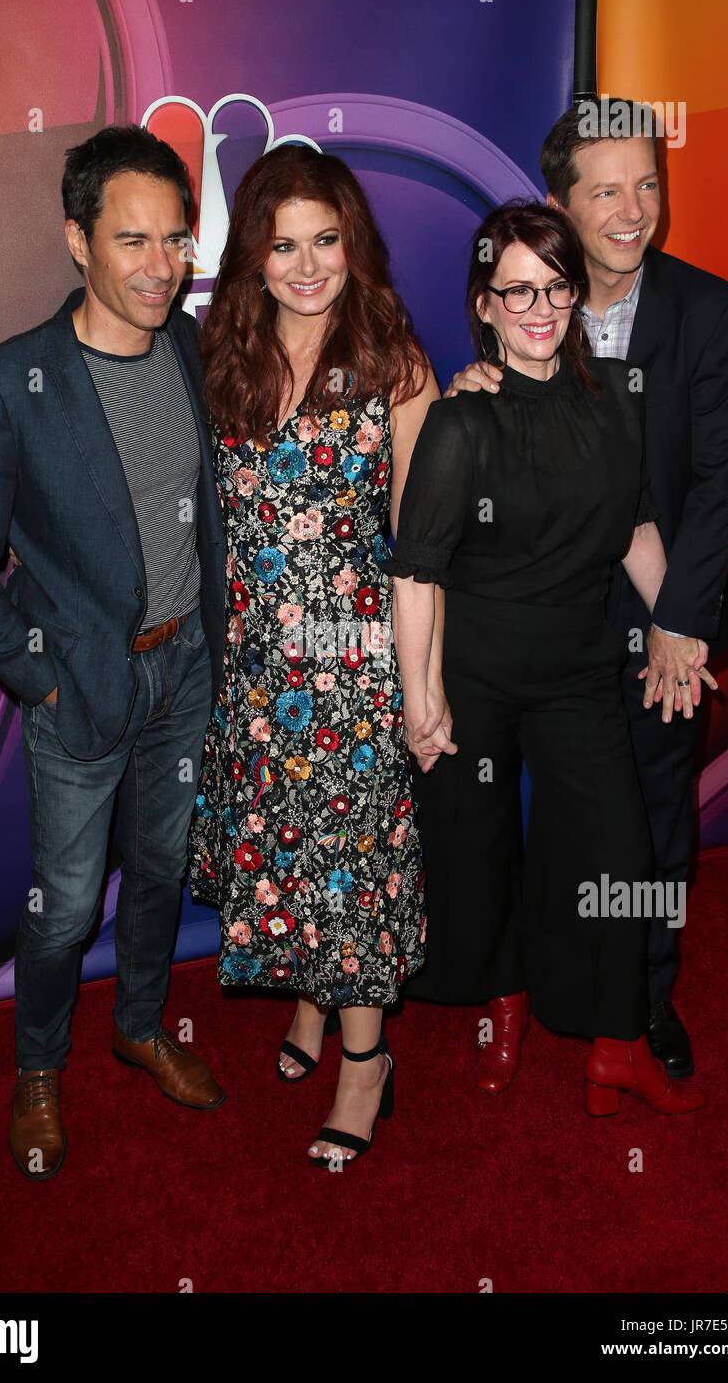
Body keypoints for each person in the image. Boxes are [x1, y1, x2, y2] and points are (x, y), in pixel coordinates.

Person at [0, 125, 227, 1181]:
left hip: (184, 668)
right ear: (75, 239)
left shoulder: (187, 344)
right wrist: (39, 676)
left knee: (157, 869)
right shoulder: (7, 386)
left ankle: (139, 1025)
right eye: (132, 239)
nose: (159, 266)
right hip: (80, 685)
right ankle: (39, 1071)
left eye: (175, 240)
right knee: (62, 902)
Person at [448, 100, 728, 1079]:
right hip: (532, 624)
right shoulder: (529, 300)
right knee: (499, 817)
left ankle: (638, 1002)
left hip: (664, 618)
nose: (632, 211)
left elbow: (720, 488)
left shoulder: (706, 314)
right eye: (606, 189)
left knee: (656, 820)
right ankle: (507, 989)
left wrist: (678, 627)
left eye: (647, 184)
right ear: (557, 201)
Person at [386, 200, 706, 1117]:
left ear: (575, 293)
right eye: (515, 290)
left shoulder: (614, 399)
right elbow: (417, 573)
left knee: (616, 854)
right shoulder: (461, 422)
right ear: (482, 304)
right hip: (475, 675)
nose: (538, 307)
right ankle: (504, 1005)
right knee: (476, 856)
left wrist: (680, 624)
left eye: (555, 287)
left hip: (577, 673)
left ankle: (614, 1043)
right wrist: (421, 699)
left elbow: (638, 526)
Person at [188, 145, 440, 1165]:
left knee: (350, 873)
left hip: (351, 670)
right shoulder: (223, 361)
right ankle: (305, 1007)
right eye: (281, 243)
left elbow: (420, 551)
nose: (304, 264)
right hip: (254, 671)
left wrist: (419, 690)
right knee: (288, 857)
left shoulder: (394, 368)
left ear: (352, 242)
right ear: (251, 254)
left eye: (323, 240)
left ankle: (364, 1063)